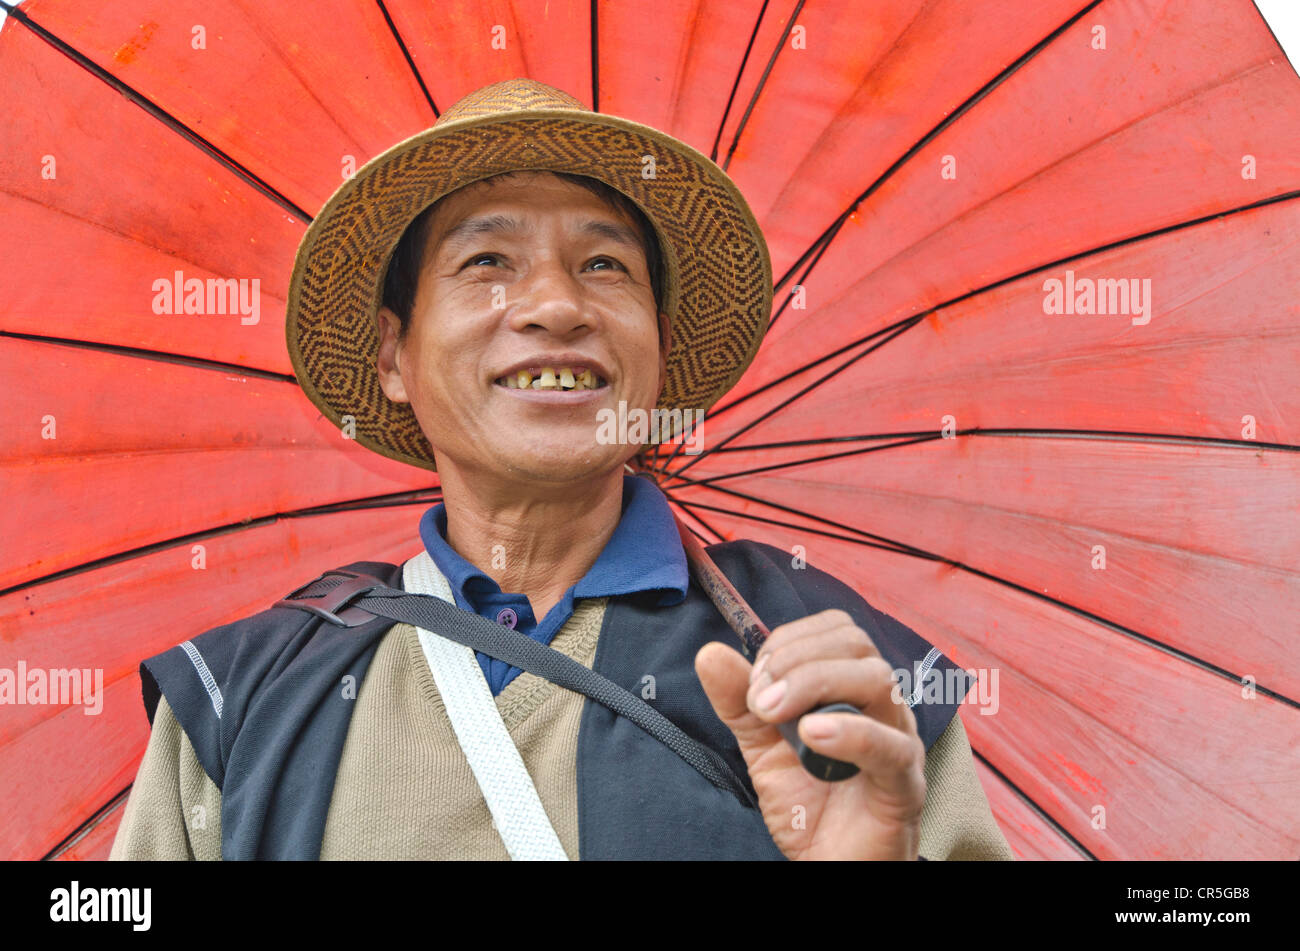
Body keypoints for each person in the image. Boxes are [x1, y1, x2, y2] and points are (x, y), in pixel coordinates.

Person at [111, 79, 1012, 861]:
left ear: (659, 348)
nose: (552, 304)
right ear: (393, 355)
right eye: (487, 261)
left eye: (604, 263)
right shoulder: (253, 695)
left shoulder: (829, 673)